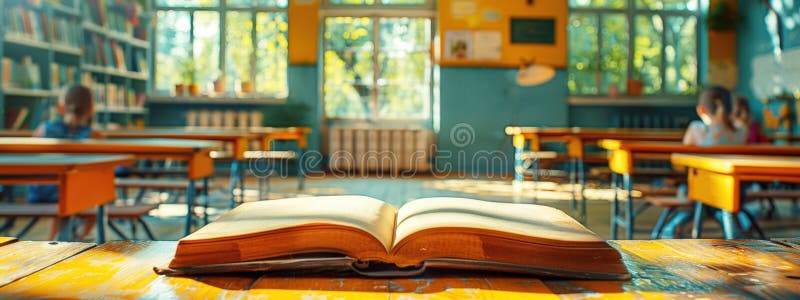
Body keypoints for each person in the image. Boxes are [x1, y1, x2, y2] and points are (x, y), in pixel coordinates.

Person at [662, 86, 748, 238]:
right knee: (717, 199)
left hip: (702, 191)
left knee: (691, 190)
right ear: (730, 107)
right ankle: (732, 230)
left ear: (701, 110)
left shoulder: (697, 129)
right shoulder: (742, 131)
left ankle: (671, 231)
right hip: (737, 191)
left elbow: (680, 166)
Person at [28, 85, 97, 240]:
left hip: (40, 193)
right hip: (76, 196)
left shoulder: (43, 129)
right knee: (101, 196)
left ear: (60, 107)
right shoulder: (93, 135)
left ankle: (51, 241)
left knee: (59, 189)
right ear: (92, 109)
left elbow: (30, 156)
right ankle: (81, 238)